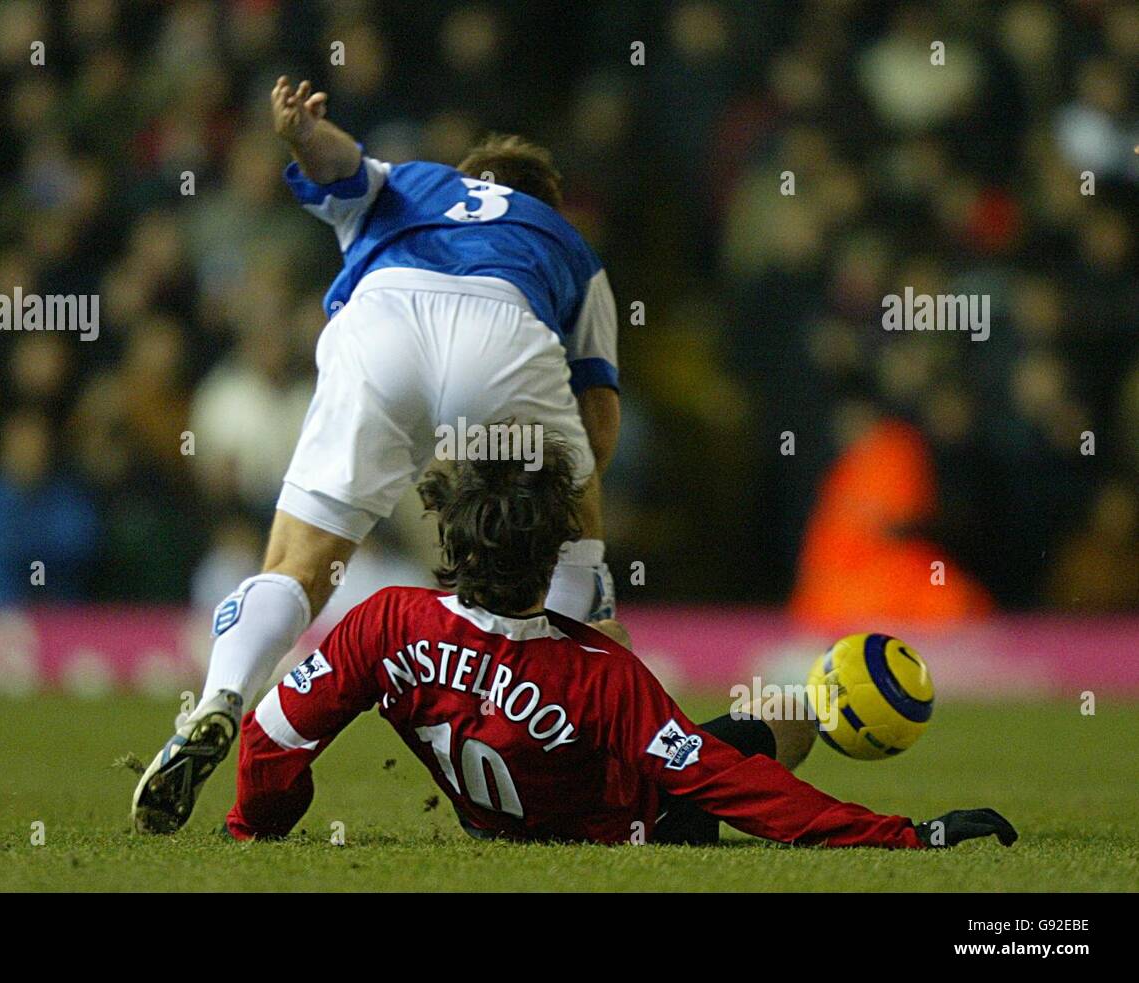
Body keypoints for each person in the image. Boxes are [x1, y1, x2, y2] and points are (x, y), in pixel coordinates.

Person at [133, 77, 621, 833]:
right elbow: (599, 412)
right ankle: (575, 757)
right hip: (502, 333)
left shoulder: (417, 181)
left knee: (294, 566)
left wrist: (298, 132)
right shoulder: (569, 246)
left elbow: (337, 163)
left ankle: (218, 699)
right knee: (572, 550)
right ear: (543, 198)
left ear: (471, 174)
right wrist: (567, 508)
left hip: (382, 321)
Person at [143, 433, 1017, 851]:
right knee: (776, 722)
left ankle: (813, 717)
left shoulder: (387, 621)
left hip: (487, 814)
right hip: (634, 825)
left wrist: (252, 826)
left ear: (451, 540)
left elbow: (277, 734)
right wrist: (909, 835)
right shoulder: (603, 672)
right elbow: (733, 787)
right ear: (553, 551)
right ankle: (828, 718)